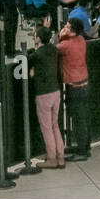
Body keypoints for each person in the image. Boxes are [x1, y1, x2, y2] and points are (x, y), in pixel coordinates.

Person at [56, 17, 90, 161]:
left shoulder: (66, 46)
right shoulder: (81, 40)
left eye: (68, 27)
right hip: (85, 83)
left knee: (77, 119)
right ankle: (85, 146)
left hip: (74, 87)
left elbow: (53, 48)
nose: (66, 28)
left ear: (74, 31)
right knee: (84, 117)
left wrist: (59, 34)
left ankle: (81, 152)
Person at [32, 26, 65, 168]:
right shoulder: (54, 50)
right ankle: (60, 156)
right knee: (54, 124)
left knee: (46, 127)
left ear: (38, 38)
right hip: (56, 91)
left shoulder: (37, 54)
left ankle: (51, 158)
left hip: (43, 93)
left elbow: (28, 60)